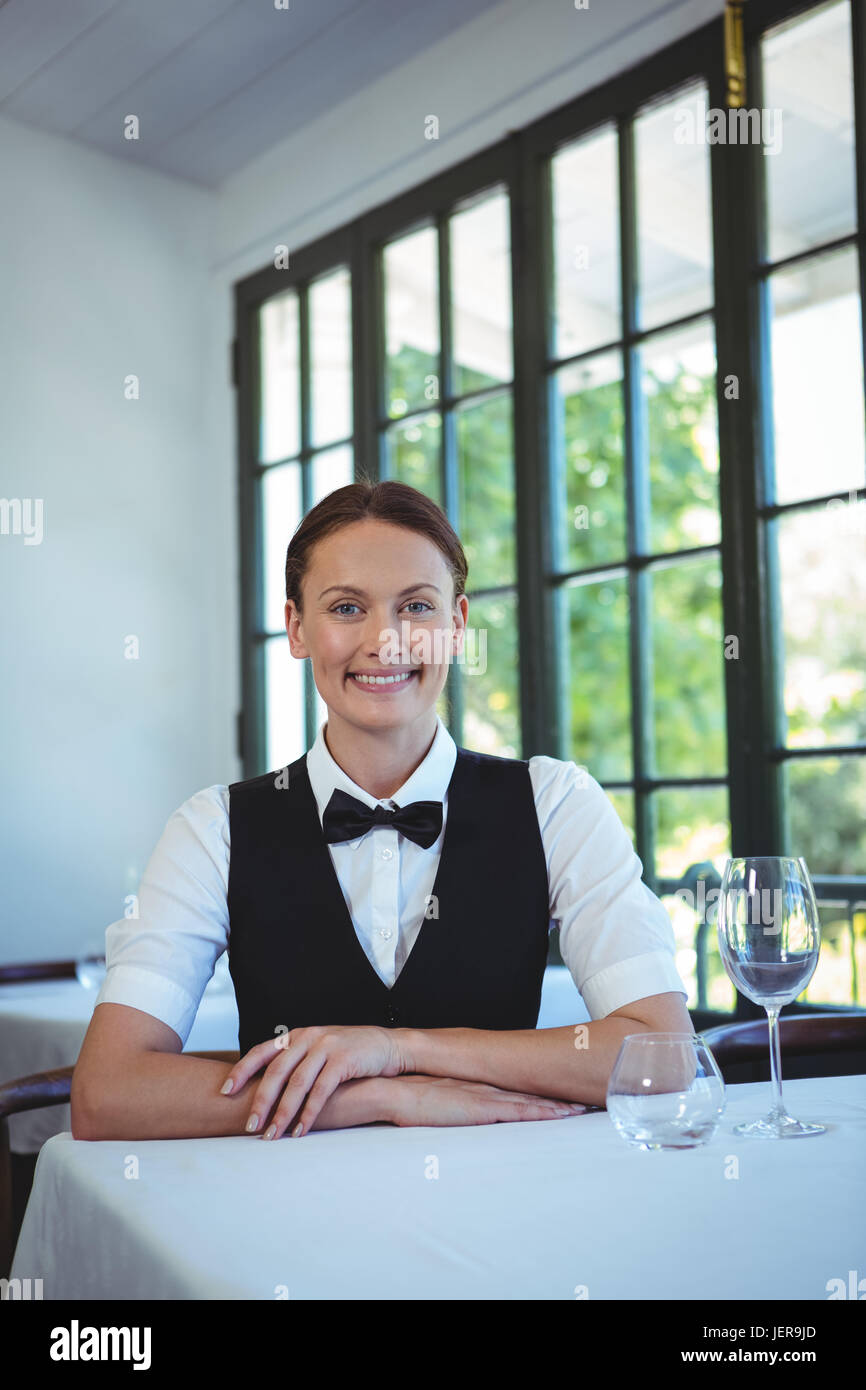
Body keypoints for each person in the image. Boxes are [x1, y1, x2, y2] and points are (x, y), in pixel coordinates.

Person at [72, 479, 691, 1142]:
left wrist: (401, 1051)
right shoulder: (212, 829)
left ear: (455, 627)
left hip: (510, 1206)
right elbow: (107, 1093)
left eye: (416, 607)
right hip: (276, 1221)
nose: (386, 641)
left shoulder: (556, 805)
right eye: (345, 608)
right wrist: (375, 1097)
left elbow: (666, 1058)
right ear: (297, 628)